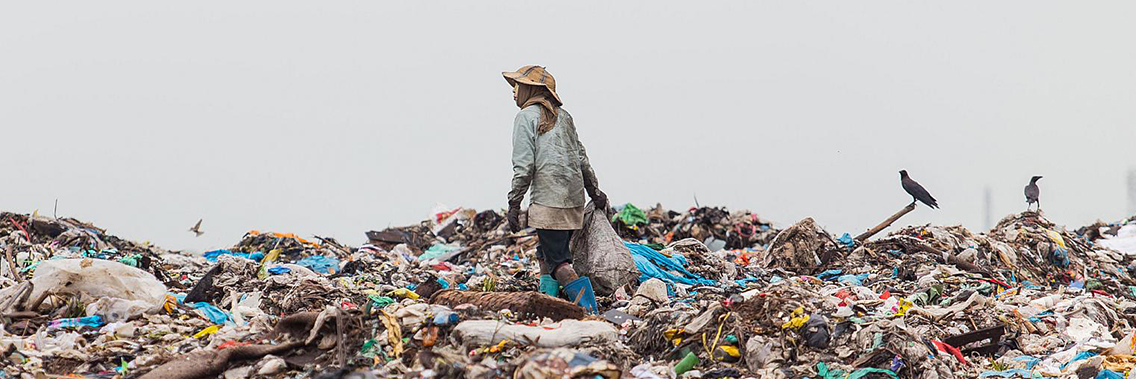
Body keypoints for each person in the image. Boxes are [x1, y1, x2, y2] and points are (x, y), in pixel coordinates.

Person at [502, 65, 607, 312]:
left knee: (559, 263)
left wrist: (514, 203)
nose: (514, 92)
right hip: (573, 201)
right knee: (546, 254)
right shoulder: (565, 116)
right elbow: (581, 158)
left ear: (531, 90)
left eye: (517, 86)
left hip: (548, 202)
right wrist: (594, 191)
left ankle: (590, 311)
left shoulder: (526, 117)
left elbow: (524, 166)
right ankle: (548, 304)